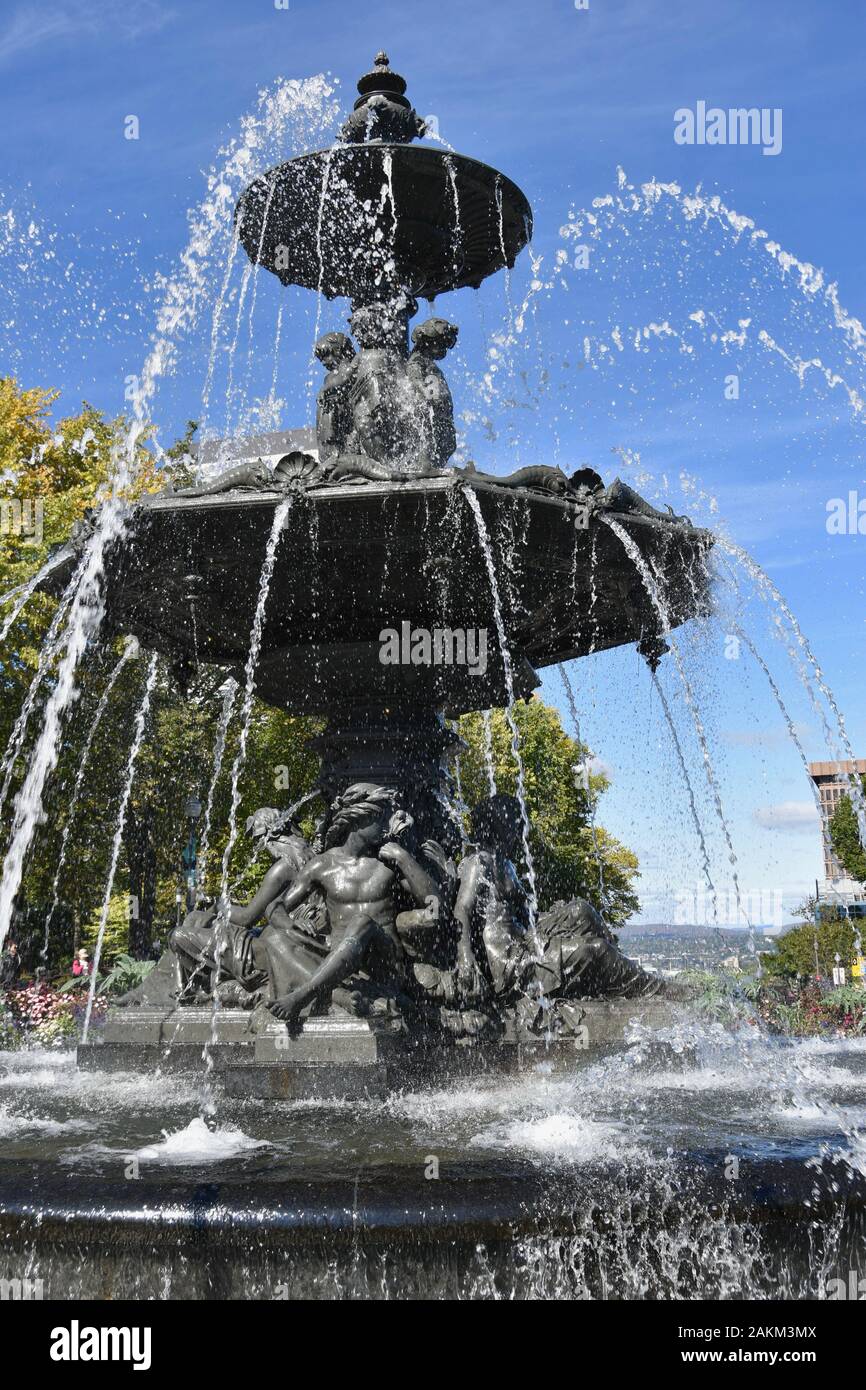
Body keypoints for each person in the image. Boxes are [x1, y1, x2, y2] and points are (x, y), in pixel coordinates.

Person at [267, 783, 439, 1035]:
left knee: (361, 921)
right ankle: (338, 994)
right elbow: (275, 907)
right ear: (359, 819)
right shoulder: (322, 865)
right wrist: (291, 925)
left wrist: (404, 857)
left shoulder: (389, 863)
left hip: (382, 962)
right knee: (275, 939)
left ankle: (305, 994)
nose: (387, 825)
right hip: (335, 958)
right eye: (380, 818)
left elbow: (433, 902)